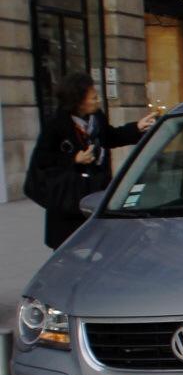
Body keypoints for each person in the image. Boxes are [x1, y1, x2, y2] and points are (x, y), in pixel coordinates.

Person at [24, 72, 156, 248]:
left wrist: (136, 128)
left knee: (102, 245)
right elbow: (43, 161)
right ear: (78, 101)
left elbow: (111, 137)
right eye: (93, 97)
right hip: (70, 201)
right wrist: (74, 159)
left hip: (95, 191)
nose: (97, 100)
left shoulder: (96, 117)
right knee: (72, 250)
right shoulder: (56, 125)